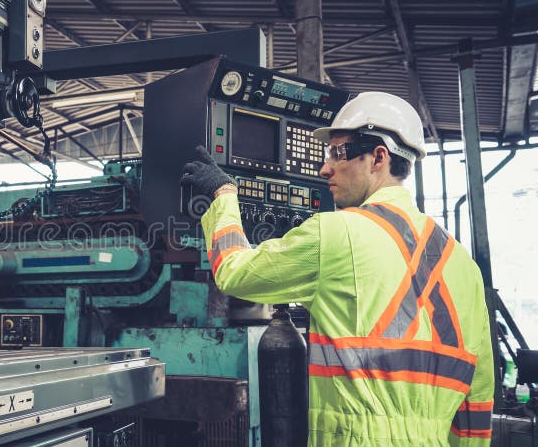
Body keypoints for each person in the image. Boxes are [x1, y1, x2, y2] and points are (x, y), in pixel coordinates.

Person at [180, 92, 494, 447]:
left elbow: (235, 272)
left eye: (337, 153)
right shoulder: (464, 265)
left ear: (379, 157)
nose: (324, 168)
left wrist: (223, 196)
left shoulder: (335, 233)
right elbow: (478, 399)